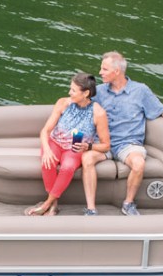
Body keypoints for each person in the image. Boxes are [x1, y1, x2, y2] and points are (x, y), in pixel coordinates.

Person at [80, 51, 163, 216]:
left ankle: (128, 204)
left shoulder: (141, 91)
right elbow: (79, 106)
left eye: (104, 69)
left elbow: (162, 111)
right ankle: (91, 209)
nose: (100, 73)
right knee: (87, 158)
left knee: (139, 163)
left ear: (117, 71)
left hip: (128, 144)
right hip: (103, 142)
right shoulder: (98, 92)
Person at [25, 72, 110, 217]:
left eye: (73, 90)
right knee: (48, 162)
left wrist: (88, 147)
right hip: (55, 142)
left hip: (75, 149)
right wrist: (46, 150)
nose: (69, 93)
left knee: (68, 167)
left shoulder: (98, 113)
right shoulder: (63, 103)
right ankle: (54, 205)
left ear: (86, 93)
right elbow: (45, 131)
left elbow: (106, 145)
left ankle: (46, 204)